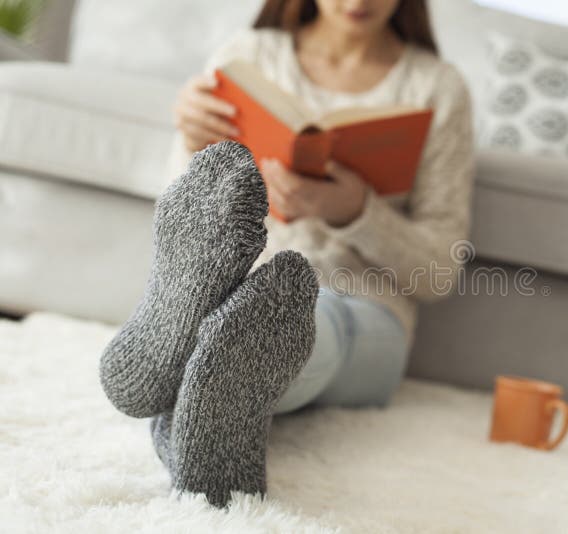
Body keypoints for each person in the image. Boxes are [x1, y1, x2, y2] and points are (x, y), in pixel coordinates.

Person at [99, 0, 474, 508]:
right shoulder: (248, 58)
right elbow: (183, 207)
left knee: (308, 316)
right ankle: (210, 354)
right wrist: (190, 142)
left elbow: (439, 271)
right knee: (240, 293)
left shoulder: (438, 87)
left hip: (366, 313)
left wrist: (356, 211)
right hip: (238, 273)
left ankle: (199, 345)